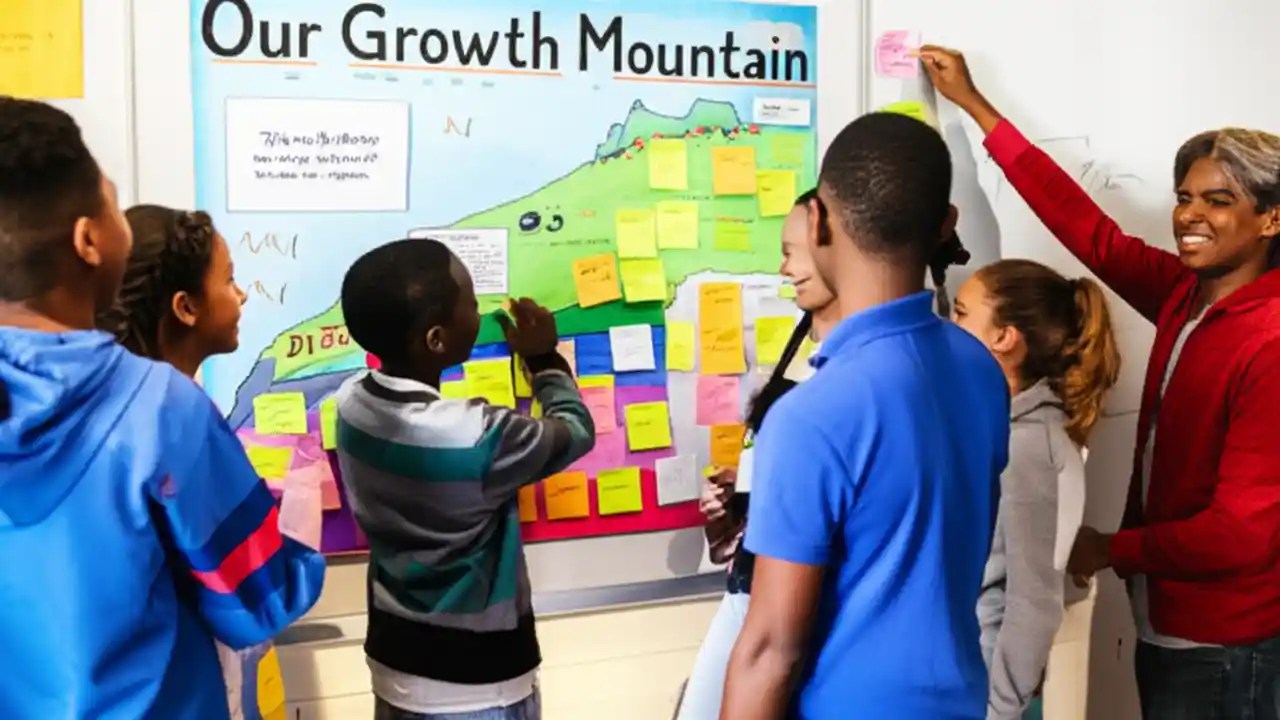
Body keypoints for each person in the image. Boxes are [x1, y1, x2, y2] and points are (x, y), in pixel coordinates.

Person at [922, 46, 1280, 718]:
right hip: (1164, 622)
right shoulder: (1185, 295)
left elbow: (1242, 535)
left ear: (1271, 219)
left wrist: (1111, 548)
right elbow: (1089, 231)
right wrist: (976, 108)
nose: (1189, 216)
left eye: (1219, 200)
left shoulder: (1269, 342)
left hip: (1227, 645)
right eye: (1183, 198)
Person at [0, 98, 325, 718]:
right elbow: (259, 601)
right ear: (88, 239)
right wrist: (300, 528)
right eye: (113, 203)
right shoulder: (156, 408)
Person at [721, 112, 1011, 719]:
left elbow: (772, 650)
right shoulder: (980, 368)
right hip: (958, 701)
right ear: (944, 225)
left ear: (819, 221)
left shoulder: (812, 416)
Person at [334, 238, 595, 720]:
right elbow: (576, 432)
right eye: (472, 303)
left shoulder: (351, 406)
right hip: (477, 687)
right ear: (436, 339)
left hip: (396, 664)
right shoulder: (478, 436)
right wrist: (544, 361)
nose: (481, 312)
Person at [96, 204, 316, 720]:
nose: (240, 296)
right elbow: (258, 593)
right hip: (182, 688)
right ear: (185, 307)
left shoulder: (100, 403)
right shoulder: (175, 414)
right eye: (230, 280)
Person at [677, 189, 841, 720]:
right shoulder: (800, 345)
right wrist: (742, 489)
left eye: (792, 251)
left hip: (789, 602)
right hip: (749, 585)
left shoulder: (856, 373)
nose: (782, 267)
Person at [952, 260, 1121, 719]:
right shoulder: (999, 427)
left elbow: (1034, 603)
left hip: (985, 692)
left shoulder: (1028, 446)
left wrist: (998, 710)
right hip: (962, 678)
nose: (951, 327)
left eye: (962, 314)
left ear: (1004, 338)